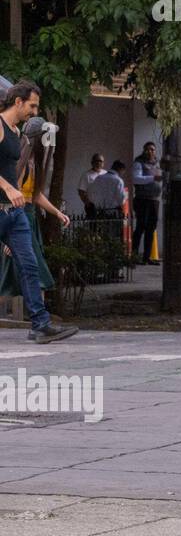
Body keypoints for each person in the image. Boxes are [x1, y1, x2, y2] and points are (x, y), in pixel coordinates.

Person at [0, 81, 77, 343]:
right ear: (18, 101)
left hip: (15, 214)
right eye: (32, 105)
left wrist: (18, 192)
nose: (34, 111)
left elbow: (27, 186)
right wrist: (7, 188)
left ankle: (40, 324)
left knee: (30, 266)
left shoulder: (17, 134)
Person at [0, 118, 69, 305]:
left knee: (29, 276)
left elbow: (35, 195)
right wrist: (10, 237)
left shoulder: (34, 163)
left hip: (29, 218)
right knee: (15, 278)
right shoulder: (20, 163)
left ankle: (41, 322)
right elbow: (13, 198)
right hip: (18, 218)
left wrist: (57, 213)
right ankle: (42, 322)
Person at [131, 142, 162, 264]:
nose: (150, 151)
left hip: (154, 199)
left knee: (151, 228)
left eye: (152, 149)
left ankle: (147, 257)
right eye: (148, 149)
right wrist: (153, 178)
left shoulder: (156, 163)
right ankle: (133, 255)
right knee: (141, 226)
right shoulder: (139, 163)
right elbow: (136, 179)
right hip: (142, 199)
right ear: (144, 150)